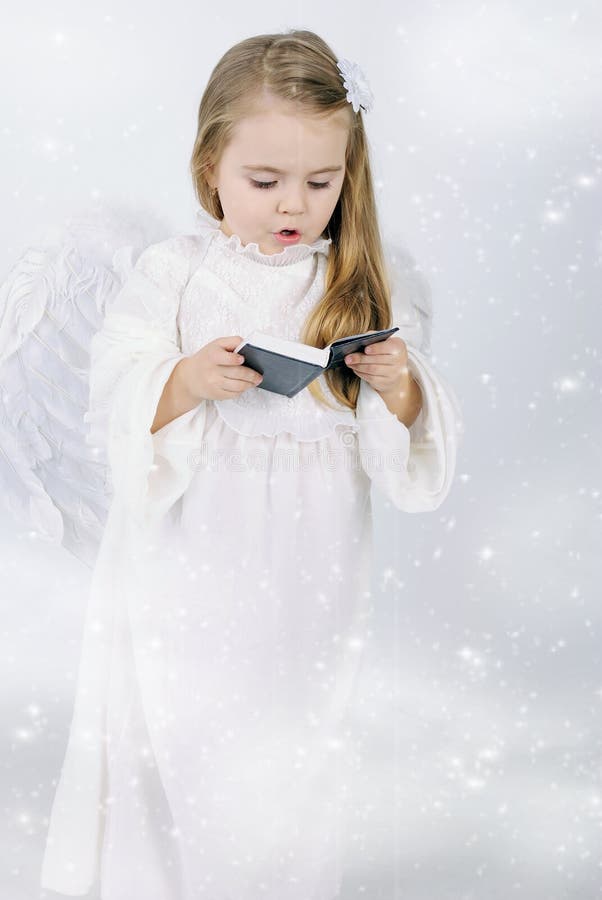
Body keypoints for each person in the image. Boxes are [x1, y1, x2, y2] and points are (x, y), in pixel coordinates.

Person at [38, 28, 463, 900]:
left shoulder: (362, 281)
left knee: (293, 735)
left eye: (320, 181)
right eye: (263, 182)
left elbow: (408, 447)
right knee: (186, 721)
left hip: (311, 556)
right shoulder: (175, 273)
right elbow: (112, 402)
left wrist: (400, 384)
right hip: (190, 547)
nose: (291, 205)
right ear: (210, 169)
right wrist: (187, 379)